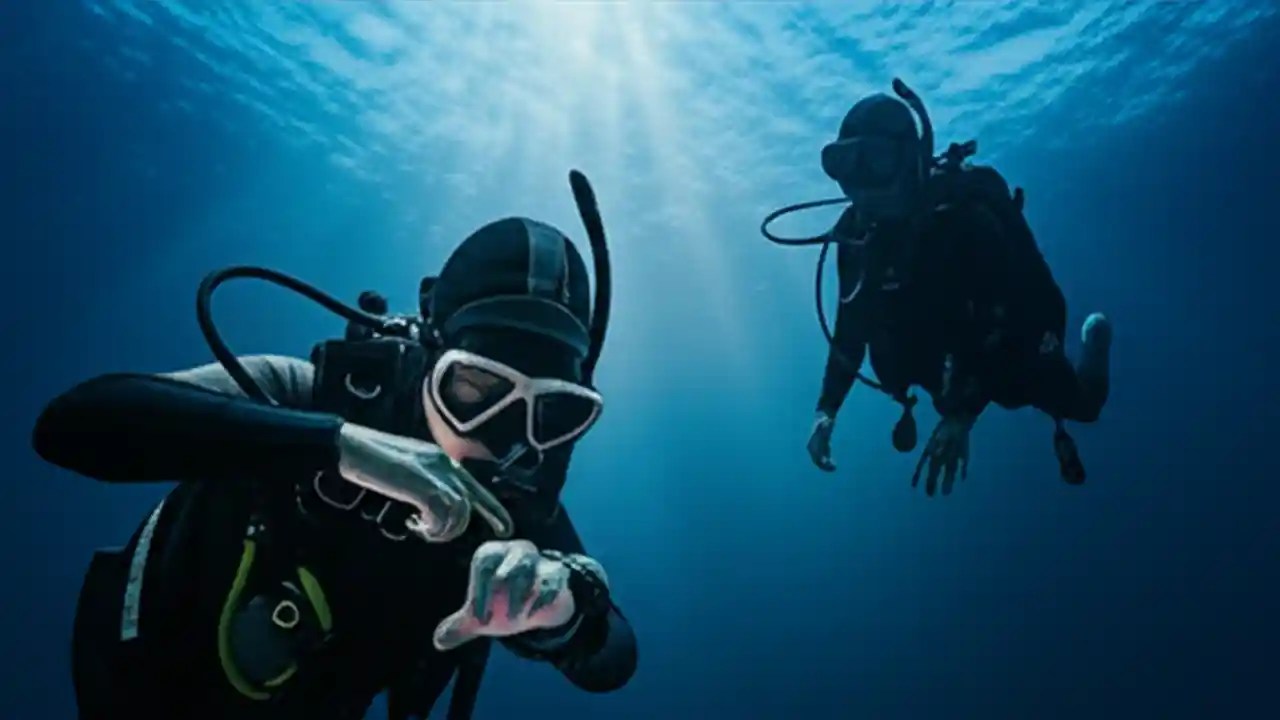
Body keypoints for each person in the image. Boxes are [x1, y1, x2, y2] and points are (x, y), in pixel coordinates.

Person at [33, 192, 638, 719]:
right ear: (430, 352)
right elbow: (74, 423)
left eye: (552, 412)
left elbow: (611, 660)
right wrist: (336, 445)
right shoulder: (305, 394)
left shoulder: (513, 502)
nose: (505, 440)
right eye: (476, 390)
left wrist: (563, 606)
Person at [768, 79, 1113, 496]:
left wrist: (962, 415)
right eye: (843, 163)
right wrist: (826, 411)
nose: (860, 184)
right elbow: (850, 328)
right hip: (939, 362)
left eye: (874, 160)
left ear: (910, 159)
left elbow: (1024, 316)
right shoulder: (856, 237)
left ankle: (1096, 343)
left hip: (1009, 346)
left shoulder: (966, 218)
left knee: (1082, 407)